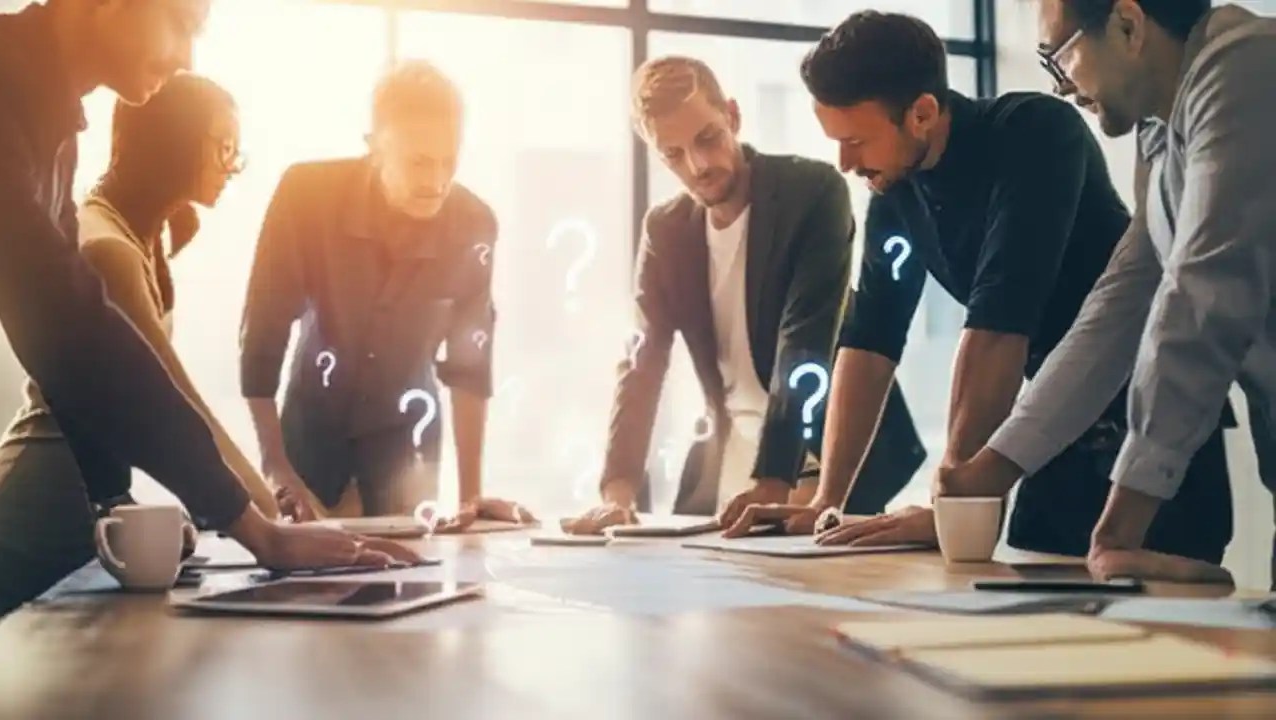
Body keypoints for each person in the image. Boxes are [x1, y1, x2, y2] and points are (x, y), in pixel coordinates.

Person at [722, 10, 1233, 566]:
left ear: (921, 113)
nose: (845, 163)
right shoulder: (895, 190)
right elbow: (869, 342)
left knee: (1159, 611)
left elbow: (999, 325)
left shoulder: (1035, 132)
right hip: (1045, 431)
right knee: (1033, 599)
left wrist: (953, 504)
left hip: (1153, 418)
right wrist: (827, 501)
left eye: (856, 141)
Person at [0, 0, 417, 618]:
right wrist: (255, 525)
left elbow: (76, 353)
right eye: (181, 23)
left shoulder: (50, 128)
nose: (187, 57)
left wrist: (125, 505)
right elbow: (70, 331)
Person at [939, 0, 1276, 584]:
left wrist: (1120, 529)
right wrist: (991, 469)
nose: (1061, 86)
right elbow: (1120, 306)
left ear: (1128, 24)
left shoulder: (1247, 67)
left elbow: (1201, 298)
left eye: (1059, 56)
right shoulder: (1161, 129)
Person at [563, 56, 926, 535]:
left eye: (707, 138)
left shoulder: (812, 191)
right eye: (673, 154)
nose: (697, 165)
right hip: (732, 453)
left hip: (822, 451)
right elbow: (641, 364)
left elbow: (805, 340)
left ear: (732, 116)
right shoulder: (666, 229)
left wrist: (773, 484)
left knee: (805, 573)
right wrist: (617, 494)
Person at [240, 60, 533, 530]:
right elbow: (261, 337)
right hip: (306, 448)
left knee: (412, 570)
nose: (436, 181)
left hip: (407, 460)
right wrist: (274, 465)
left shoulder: (474, 224)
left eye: (448, 162)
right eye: (419, 162)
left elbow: (469, 368)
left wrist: (471, 497)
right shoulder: (306, 196)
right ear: (375, 148)